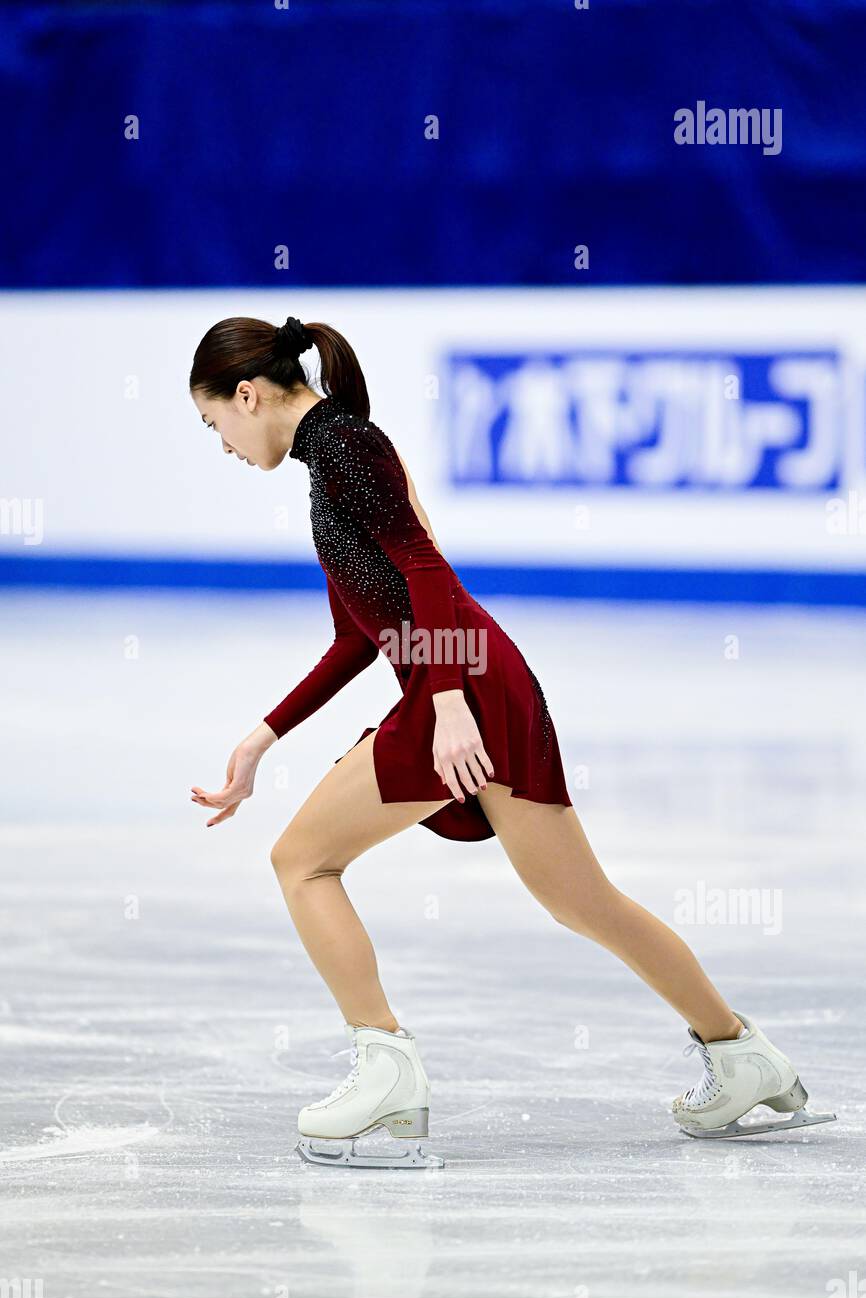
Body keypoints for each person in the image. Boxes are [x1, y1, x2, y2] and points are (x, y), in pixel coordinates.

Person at [188, 315, 835, 1167]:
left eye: (214, 426)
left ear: (246, 394)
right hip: (478, 679)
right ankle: (741, 1055)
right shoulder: (333, 461)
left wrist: (448, 703)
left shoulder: (343, 445)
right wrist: (263, 737)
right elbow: (359, 634)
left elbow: (426, 571)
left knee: (301, 861)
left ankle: (385, 1072)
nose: (223, 446)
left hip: (460, 685)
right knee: (582, 901)